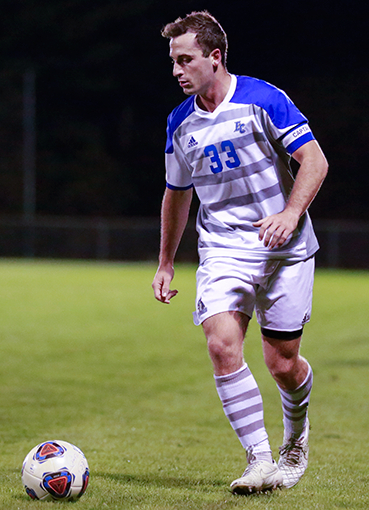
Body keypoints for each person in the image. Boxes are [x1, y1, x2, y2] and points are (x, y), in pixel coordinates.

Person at [151, 11, 328, 495]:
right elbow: (177, 194)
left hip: (284, 249)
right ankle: (260, 460)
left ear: (214, 57)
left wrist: (290, 214)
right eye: (172, 61)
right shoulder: (179, 123)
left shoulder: (263, 99)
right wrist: (166, 261)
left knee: (283, 363)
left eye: (185, 60)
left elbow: (314, 160)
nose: (176, 70)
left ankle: (296, 437)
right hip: (224, 248)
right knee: (221, 343)